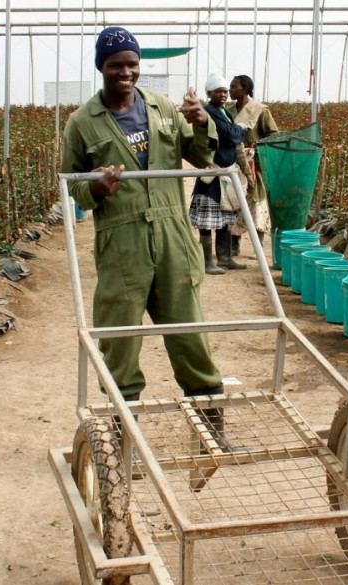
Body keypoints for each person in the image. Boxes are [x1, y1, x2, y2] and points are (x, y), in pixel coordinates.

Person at [61, 27, 236, 445]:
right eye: (116, 64)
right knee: (120, 339)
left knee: (189, 331)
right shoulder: (82, 123)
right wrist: (94, 190)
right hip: (122, 244)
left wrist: (201, 123)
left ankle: (211, 428)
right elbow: (71, 184)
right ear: (101, 67)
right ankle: (125, 437)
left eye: (132, 65)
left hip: (174, 234)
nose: (126, 72)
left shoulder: (161, 107)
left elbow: (200, 157)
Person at [189, 73, 249, 273]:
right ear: (209, 94)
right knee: (207, 220)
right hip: (212, 172)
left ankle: (224, 258)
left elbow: (234, 135)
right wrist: (238, 131)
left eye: (225, 91)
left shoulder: (224, 112)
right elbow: (232, 136)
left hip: (225, 173)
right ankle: (207, 262)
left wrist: (236, 132)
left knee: (225, 216)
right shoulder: (209, 111)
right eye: (218, 92)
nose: (223, 95)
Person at [227, 74, 279, 261]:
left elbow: (274, 134)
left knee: (256, 202)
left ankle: (259, 244)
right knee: (234, 202)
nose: (230, 90)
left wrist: (258, 144)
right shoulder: (229, 111)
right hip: (234, 162)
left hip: (254, 165)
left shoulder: (260, 111)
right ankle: (234, 244)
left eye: (234, 87)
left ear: (246, 89)